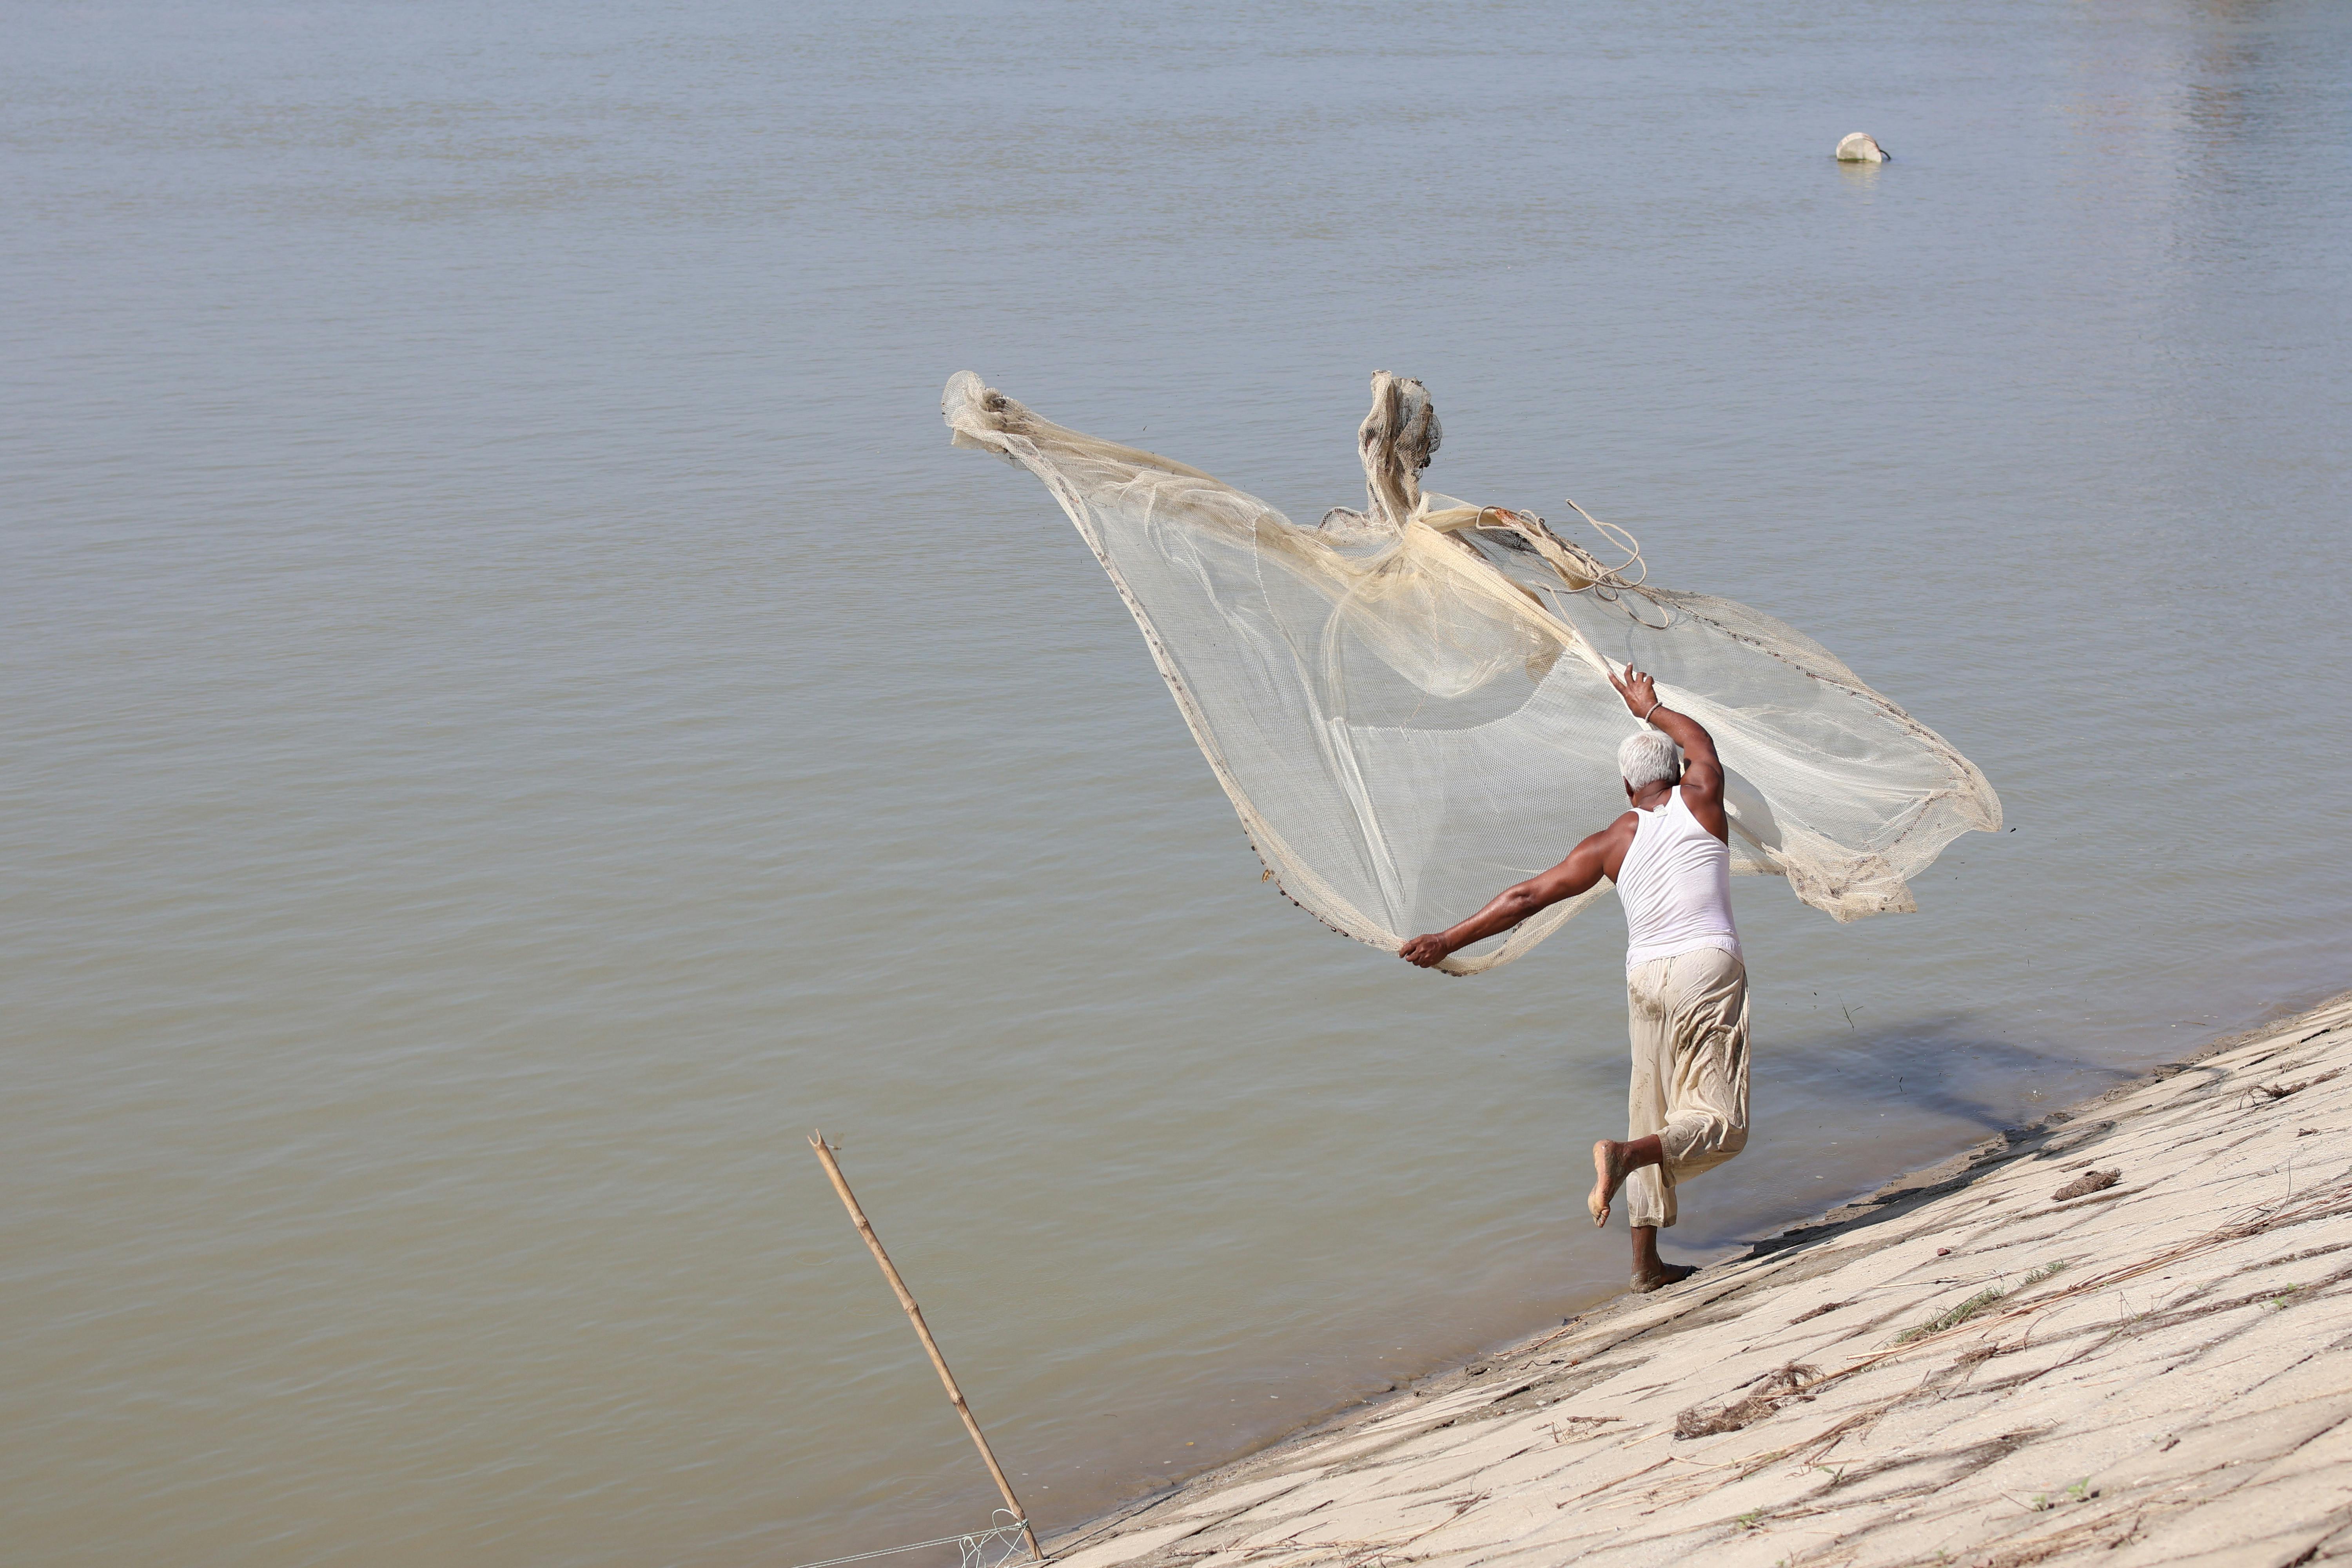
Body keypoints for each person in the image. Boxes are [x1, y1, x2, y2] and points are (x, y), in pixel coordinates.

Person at [1400, 664, 1749, 1293]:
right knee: (1722, 1123)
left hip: (1646, 978)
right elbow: (1704, 744)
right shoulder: (1702, 799)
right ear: (1674, 774)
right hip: (1706, 968)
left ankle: (1646, 1266)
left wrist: (1447, 939)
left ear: (1626, 787)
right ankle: (1628, 1157)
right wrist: (1650, 706)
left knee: (1650, 1107)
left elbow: (1526, 897)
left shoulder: (1610, 843)